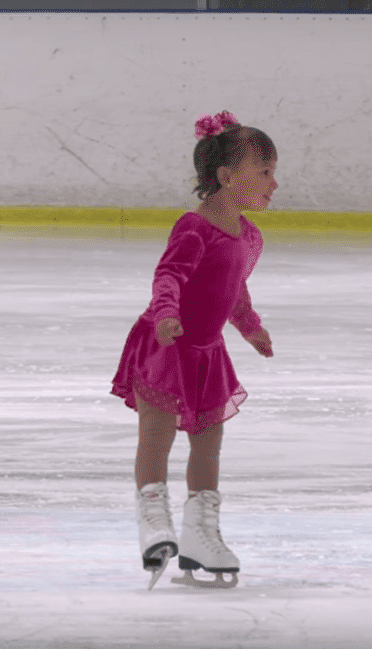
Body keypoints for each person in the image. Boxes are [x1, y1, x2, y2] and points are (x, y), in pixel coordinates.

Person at [110, 110, 277, 588]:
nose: (274, 183)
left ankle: (200, 535)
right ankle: (154, 522)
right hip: (167, 347)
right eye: (263, 173)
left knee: (208, 447)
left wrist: (250, 328)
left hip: (207, 353)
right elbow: (169, 275)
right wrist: (166, 314)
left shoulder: (249, 237)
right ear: (226, 177)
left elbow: (235, 291)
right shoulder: (193, 227)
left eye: (273, 172)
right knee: (157, 436)